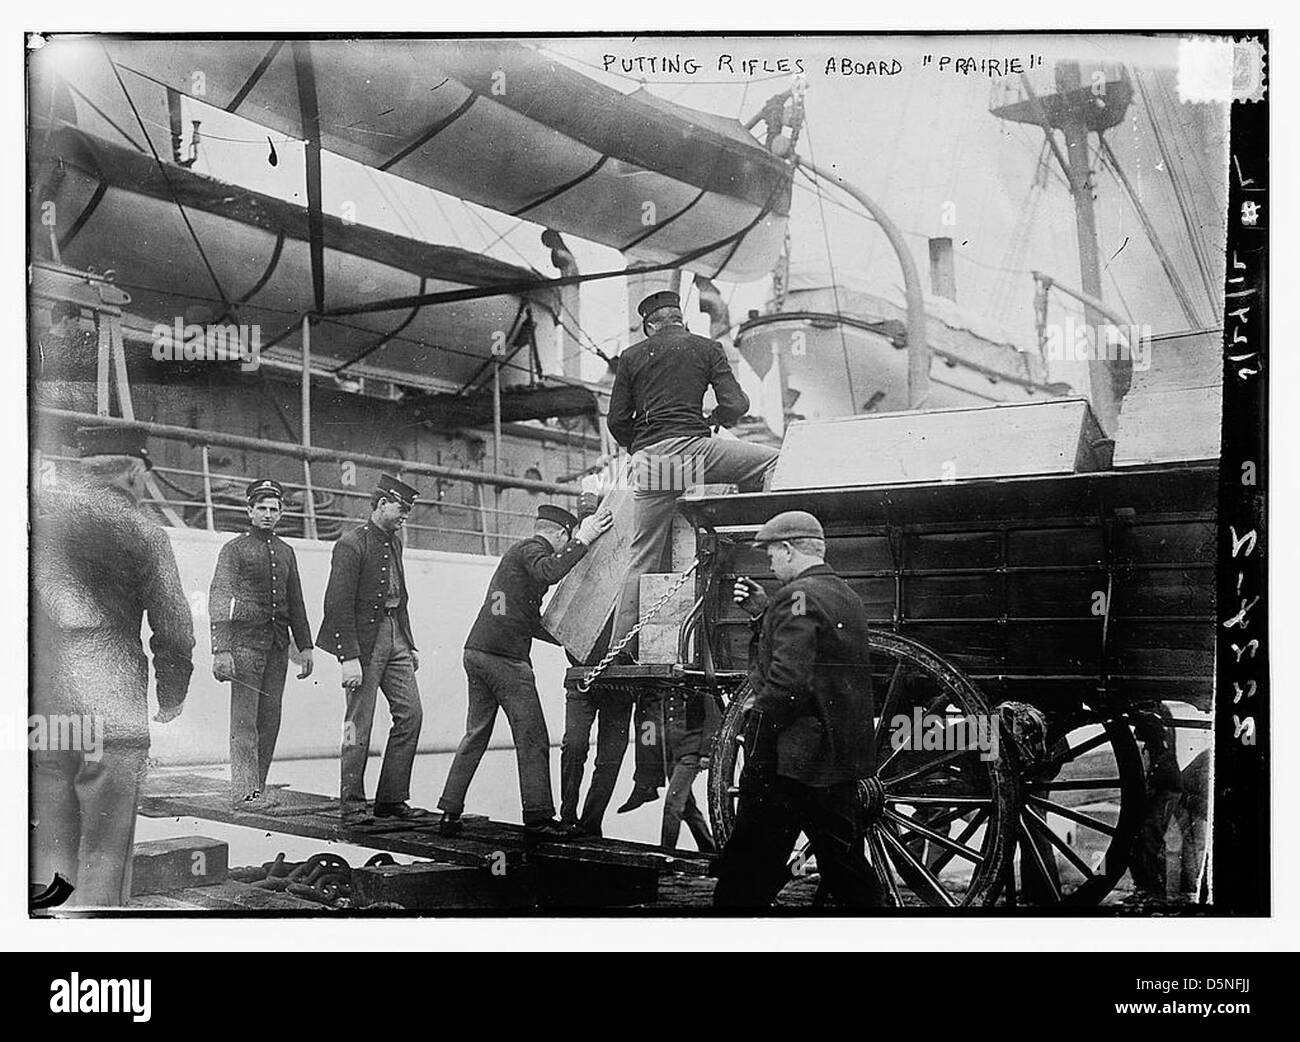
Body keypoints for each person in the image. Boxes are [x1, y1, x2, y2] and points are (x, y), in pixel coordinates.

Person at [605, 289, 780, 810]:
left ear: (648, 327)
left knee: (644, 555)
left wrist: (644, 442)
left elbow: (618, 421)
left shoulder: (633, 358)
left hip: (653, 462)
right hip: (696, 450)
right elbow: (738, 406)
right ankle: (752, 544)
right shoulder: (705, 348)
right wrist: (708, 423)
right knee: (768, 462)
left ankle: (623, 651)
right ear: (681, 320)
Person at [31, 425, 194, 906]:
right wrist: (171, 694)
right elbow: (174, 629)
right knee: (106, 840)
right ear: (134, 471)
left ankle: (48, 926)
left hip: (48, 699)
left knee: (50, 830)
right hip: (113, 698)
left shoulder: (41, 525)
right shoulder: (145, 532)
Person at [712, 510, 881, 908]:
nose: (769, 563)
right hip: (835, 762)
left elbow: (789, 681)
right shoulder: (845, 595)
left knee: (745, 870)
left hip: (788, 763)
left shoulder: (796, 597)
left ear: (788, 549)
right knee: (846, 868)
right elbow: (818, 658)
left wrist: (756, 727)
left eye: (772, 554)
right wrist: (764, 611)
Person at [438, 503, 613, 837]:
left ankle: (449, 809)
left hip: (477, 652)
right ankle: (538, 818)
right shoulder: (533, 549)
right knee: (532, 737)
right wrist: (586, 538)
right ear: (561, 534)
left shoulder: (516, 559)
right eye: (568, 538)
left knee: (476, 734)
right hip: (505, 658)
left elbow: (530, 620)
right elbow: (550, 570)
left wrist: (571, 640)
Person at [319, 474, 424, 826]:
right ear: (381, 504)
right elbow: (337, 605)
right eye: (400, 508)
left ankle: (391, 799)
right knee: (357, 724)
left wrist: (408, 643)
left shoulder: (395, 543)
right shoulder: (351, 544)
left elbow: (402, 595)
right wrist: (348, 657)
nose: (404, 516)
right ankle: (351, 804)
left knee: (411, 714)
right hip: (364, 642)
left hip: (395, 635)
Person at [208, 478, 314, 808]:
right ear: (249, 511)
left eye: (274, 509)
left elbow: (296, 601)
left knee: (270, 721)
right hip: (244, 648)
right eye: (262, 509)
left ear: (280, 513)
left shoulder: (286, 552)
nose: (268, 514)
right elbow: (218, 598)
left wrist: (306, 646)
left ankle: (258, 788)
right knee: (244, 723)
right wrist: (221, 649)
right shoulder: (234, 550)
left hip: (277, 648)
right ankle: (245, 792)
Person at [659, 687, 719, 853]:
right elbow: (650, 724)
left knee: (673, 805)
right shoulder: (664, 690)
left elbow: (713, 717)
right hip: (672, 753)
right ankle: (710, 849)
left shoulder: (699, 686)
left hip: (690, 754)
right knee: (688, 807)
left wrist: (706, 752)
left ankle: (665, 854)